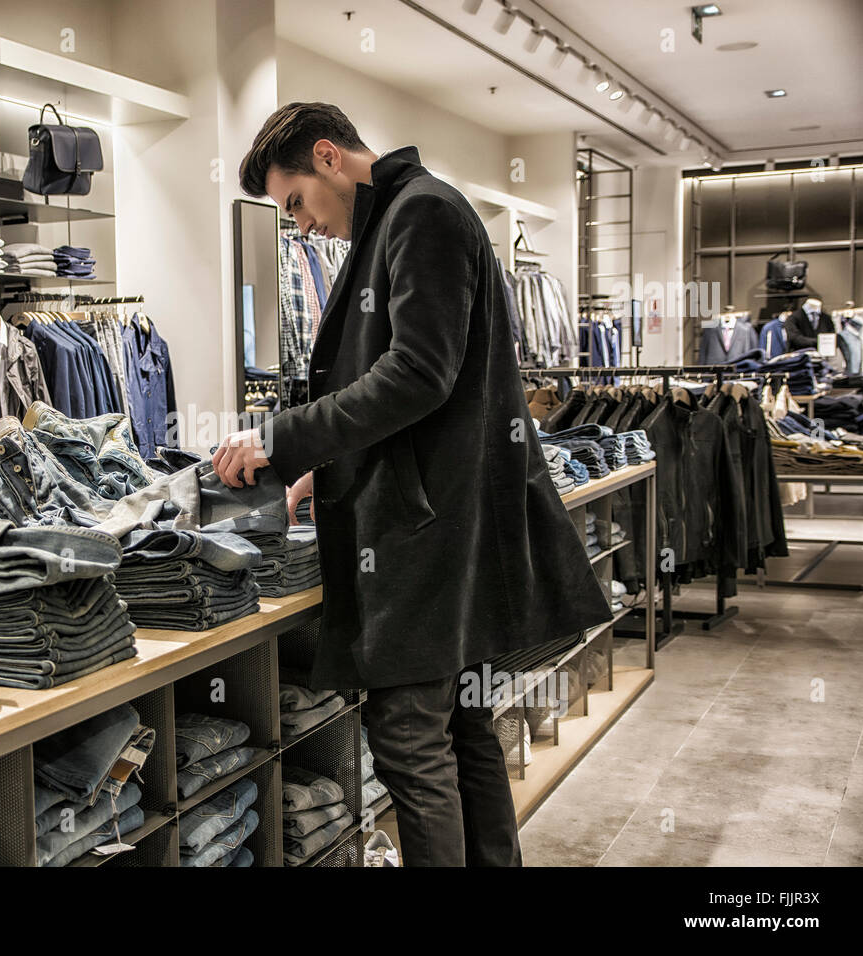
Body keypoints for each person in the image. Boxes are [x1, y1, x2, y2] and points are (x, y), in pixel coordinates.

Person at [211, 102, 611, 866]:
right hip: (442, 519)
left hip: (429, 532)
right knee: (461, 732)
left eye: (294, 202)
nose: (300, 227)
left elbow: (416, 376)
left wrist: (279, 438)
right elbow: (407, 381)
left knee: (409, 743)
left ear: (328, 157)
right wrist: (318, 464)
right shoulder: (406, 214)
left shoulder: (419, 213)